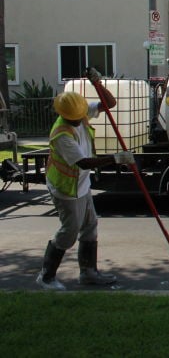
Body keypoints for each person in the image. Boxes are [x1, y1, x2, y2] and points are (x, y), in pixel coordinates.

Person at [36, 68, 135, 291]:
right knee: (69, 232)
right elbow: (83, 163)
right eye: (74, 118)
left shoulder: (79, 113)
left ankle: (88, 273)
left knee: (90, 226)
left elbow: (109, 104)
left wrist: (98, 84)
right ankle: (46, 276)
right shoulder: (62, 134)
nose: (78, 120)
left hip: (81, 184)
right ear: (65, 115)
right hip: (66, 188)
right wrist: (116, 158)